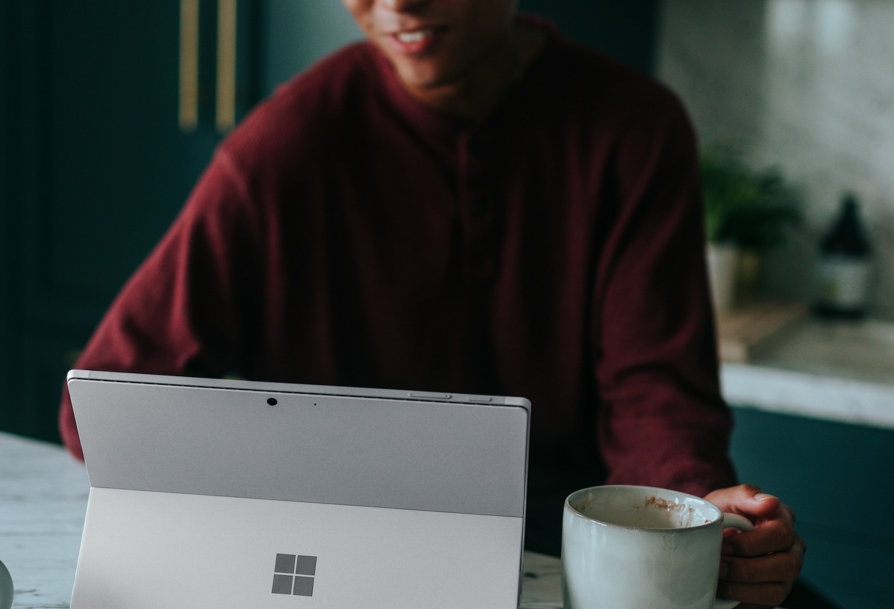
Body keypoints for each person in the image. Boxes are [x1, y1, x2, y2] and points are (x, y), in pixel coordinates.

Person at [58, 0, 806, 606]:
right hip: (347, 571)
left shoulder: (631, 129)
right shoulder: (284, 147)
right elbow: (111, 396)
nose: (396, 4)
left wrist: (692, 510)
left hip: (568, 559)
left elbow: (654, 390)